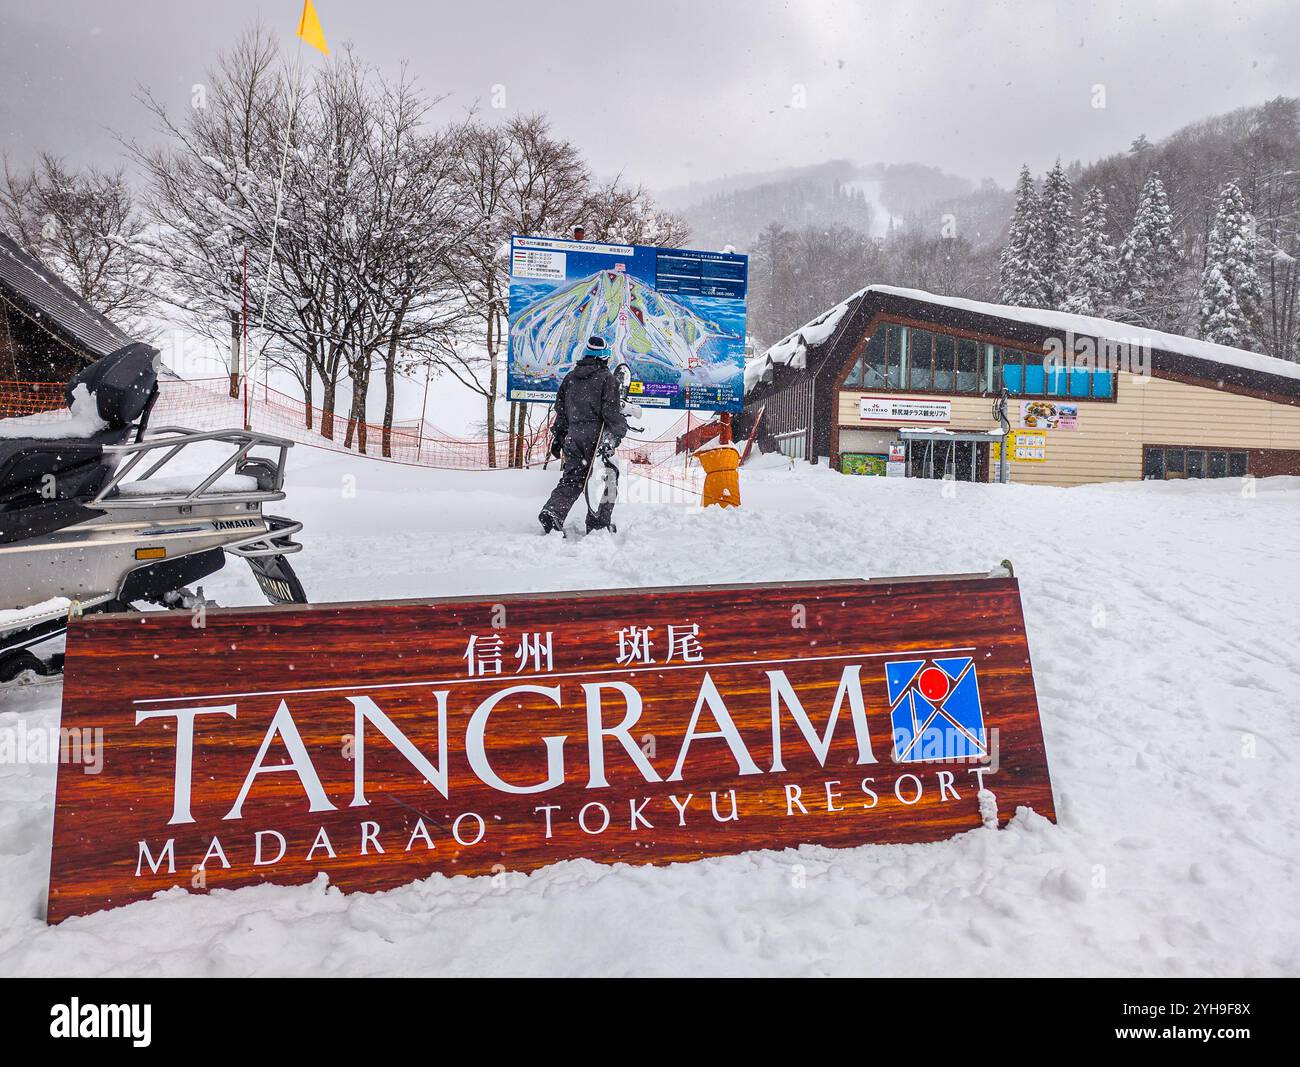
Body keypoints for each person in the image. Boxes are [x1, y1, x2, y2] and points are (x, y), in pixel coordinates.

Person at [539, 336, 628, 534]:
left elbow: (560, 411)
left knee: (572, 478)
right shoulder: (607, 379)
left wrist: (558, 436)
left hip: (573, 435)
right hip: (596, 438)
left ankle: (553, 511)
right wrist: (620, 430)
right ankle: (598, 523)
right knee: (608, 477)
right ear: (604, 357)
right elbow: (610, 413)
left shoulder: (570, 378)